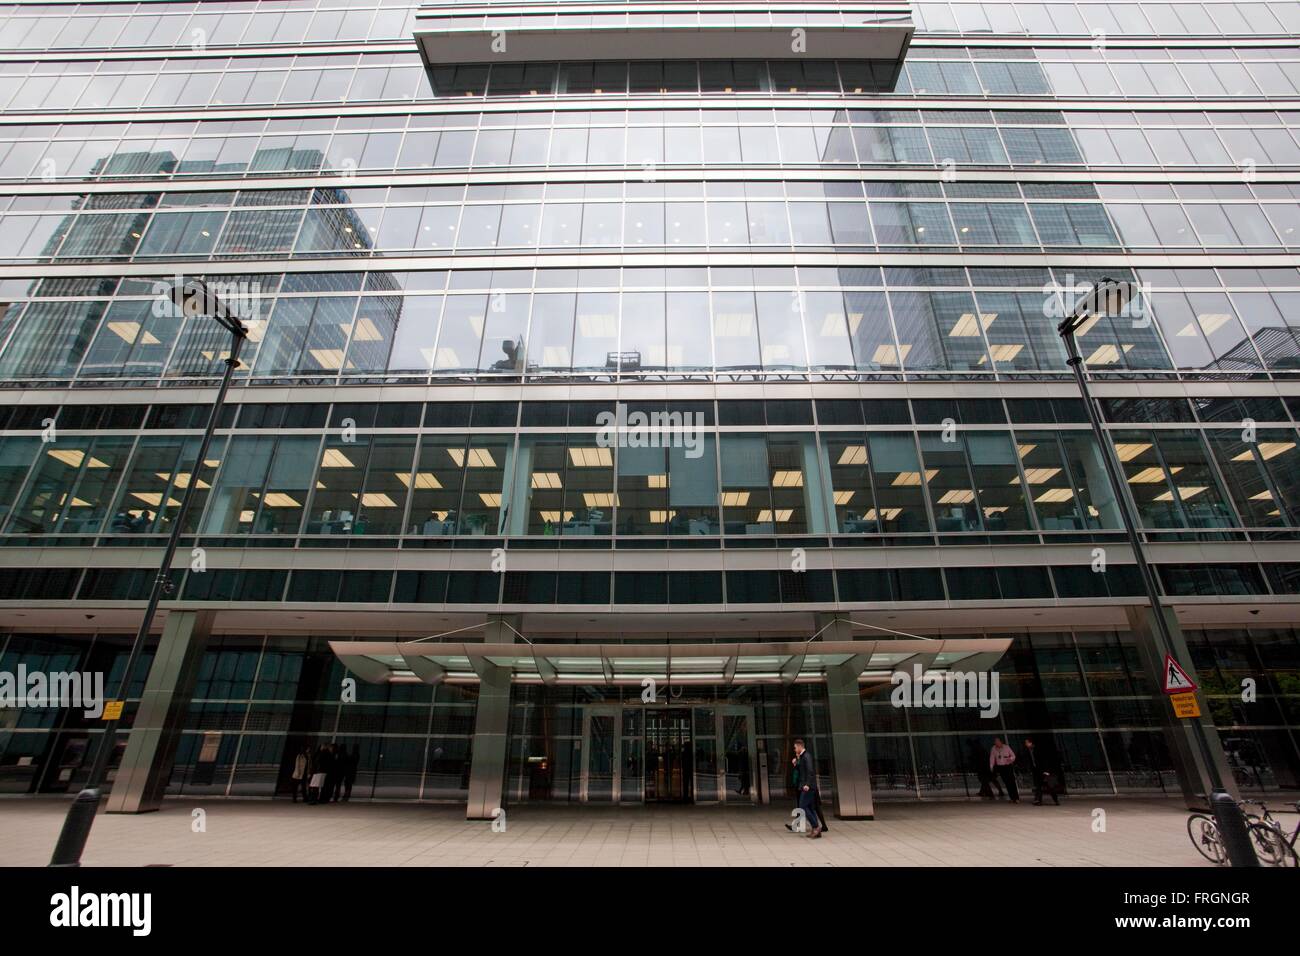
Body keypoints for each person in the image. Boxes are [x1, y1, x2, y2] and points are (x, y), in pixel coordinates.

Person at [792, 738, 822, 838]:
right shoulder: (802, 757)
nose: (794, 750)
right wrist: (795, 764)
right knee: (809, 807)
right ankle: (816, 829)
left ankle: (816, 827)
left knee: (803, 807)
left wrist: (807, 784)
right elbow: (802, 771)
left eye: (795, 748)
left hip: (808, 787)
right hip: (806, 786)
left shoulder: (806, 756)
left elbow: (810, 771)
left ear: (799, 746)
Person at [1023, 737, 1060, 806]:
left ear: (1031, 743)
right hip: (1036, 771)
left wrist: (1046, 770)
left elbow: (1044, 760)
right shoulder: (1027, 751)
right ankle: (1038, 800)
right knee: (1038, 786)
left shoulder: (1038, 749)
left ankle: (1056, 800)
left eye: (1026, 742)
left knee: (1049, 786)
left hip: (1043, 770)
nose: (1025, 744)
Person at [989, 737, 1018, 803]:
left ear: (1001, 742)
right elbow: (992, 758)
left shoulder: (1006, 747)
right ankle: (1011, 798)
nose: (996, 743)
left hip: (1008, 766)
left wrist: (1009, 759)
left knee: (1012, 782)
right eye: (995, 742)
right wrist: (991, 766)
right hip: (1000, 767)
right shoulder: (993, 748)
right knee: (1006, 783)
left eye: (997, 741)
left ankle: (1016, 798)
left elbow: (1013, 756)